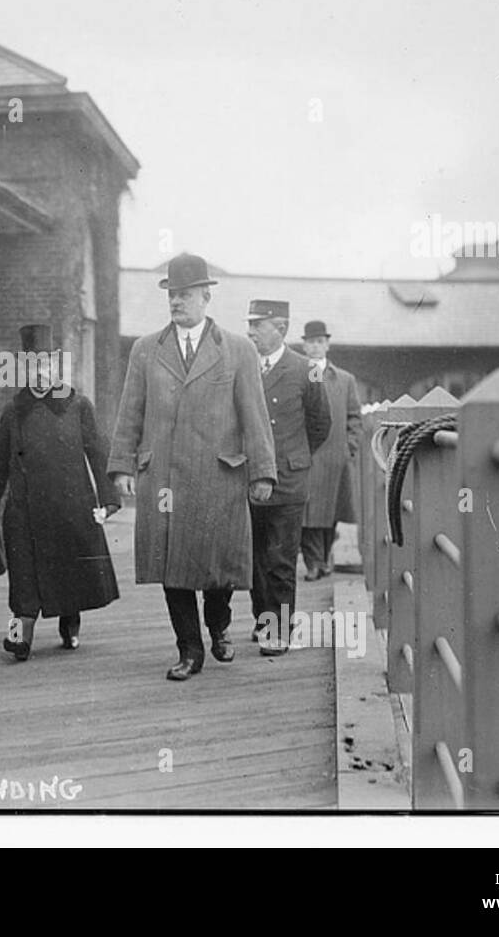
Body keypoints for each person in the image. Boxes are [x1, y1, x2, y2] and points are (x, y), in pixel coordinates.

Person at [107, 254, 277, 681]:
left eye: (184, 295)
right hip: (162, 476)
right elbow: (130, 412)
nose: (176, 302)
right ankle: (189, 649)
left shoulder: (237, 349)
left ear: (205, 296)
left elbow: (254, 415)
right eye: (171, 294)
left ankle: (218, 625)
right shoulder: (146, 350)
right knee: (171, 565)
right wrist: (122, 466)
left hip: (218, 476)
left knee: (218, 565)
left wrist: (262, 473)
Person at [0, 324, 119, 660]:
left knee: (68, 573)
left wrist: (109, 499)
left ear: (56, 367)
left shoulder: (77, 405)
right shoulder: (14, 410)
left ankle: (70, 625)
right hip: (24, 510)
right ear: (24, 368)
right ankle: (19, 636)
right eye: (32, 365)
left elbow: (97, 453)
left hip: (70, 507)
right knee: (23, 580)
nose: (40, 372)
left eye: (46, 365)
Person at [245, 300, 332, 655]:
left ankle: (280, 629)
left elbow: (320, 424)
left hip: (290, 479)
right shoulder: (244, 366)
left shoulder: (306, 369)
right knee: (254, 558)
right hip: (252, 477)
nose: (250, 332)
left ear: (280, 329)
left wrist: (295, 456)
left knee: (281, 558)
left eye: (258, 326)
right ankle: (263, 620)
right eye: (249, 325)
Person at [298, 321, 362, 580]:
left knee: (330, 511)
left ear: (327, 344)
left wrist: (349, 447)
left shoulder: (345, 379)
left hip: (335, 455)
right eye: (310, 342)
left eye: (319, 341)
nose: (315, 346)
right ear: (304, 345)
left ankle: (323, 559)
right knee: (307, 513)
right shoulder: (297, 373)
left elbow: (354, 416)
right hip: (306, 454)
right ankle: (314, 563)